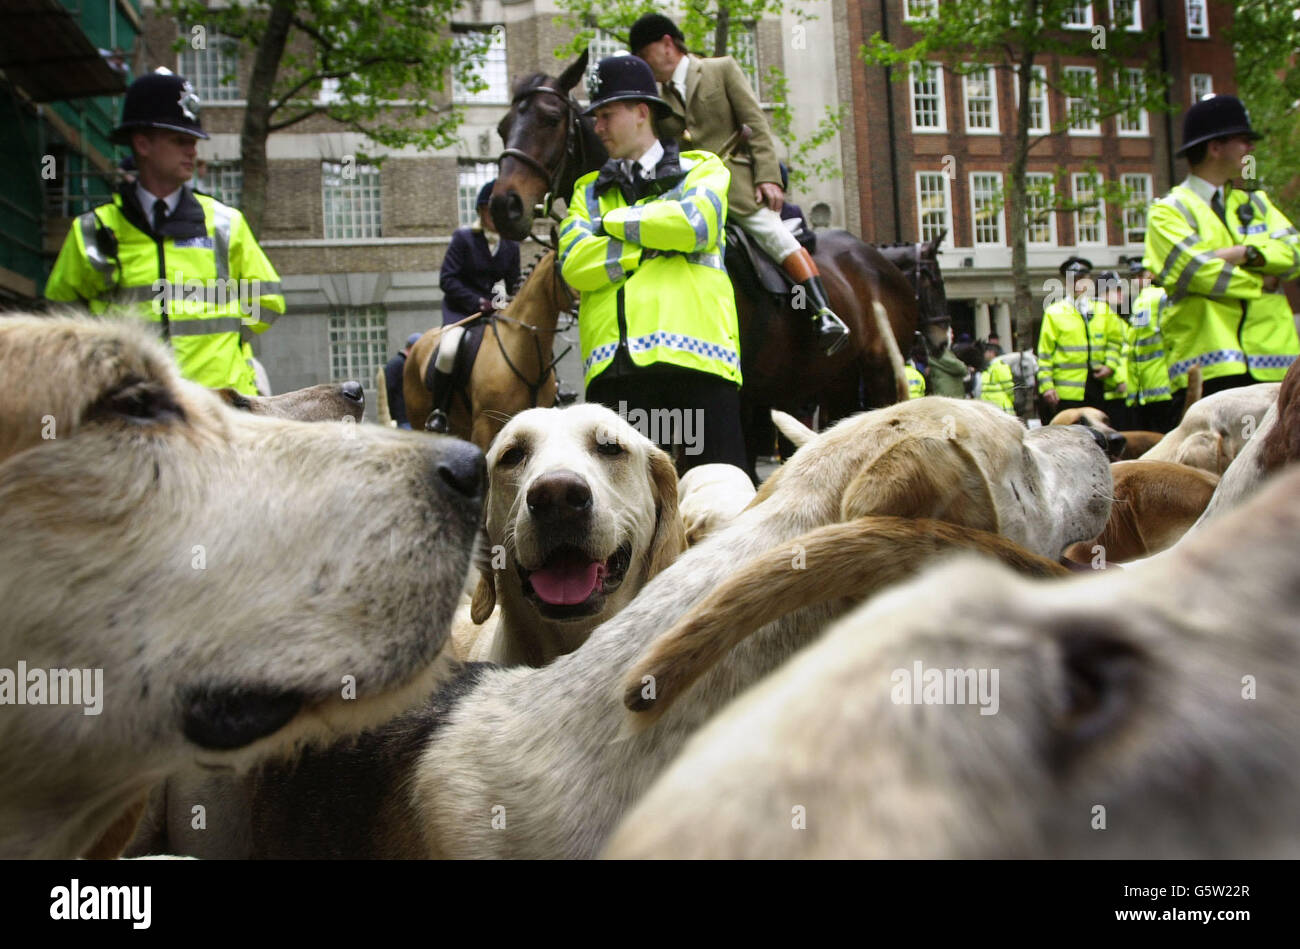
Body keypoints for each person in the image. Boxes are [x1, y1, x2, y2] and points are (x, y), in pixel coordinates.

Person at [557, 55, 748, 475]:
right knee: (628, 519)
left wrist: (609, 224)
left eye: (606, 115)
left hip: (699, 367)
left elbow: (697, 225)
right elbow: (573, 263)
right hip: (616, 373)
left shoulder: (702, 168)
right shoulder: (586, 190)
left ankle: (818, 310)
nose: (598, 127)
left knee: (720, 502)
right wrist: (652, 243)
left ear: (641, 112)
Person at [45, 70, 284, 395]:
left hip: (222, 409)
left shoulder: (226, 224)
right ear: (143, 143)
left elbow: (268, 301)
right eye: (180, 140)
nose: (193, 151)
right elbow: (62, 319)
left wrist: (221, 343)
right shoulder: (91, 230)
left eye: (194, 142)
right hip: (130, 408)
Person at [630, 13, 849, 354]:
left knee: (775, 236)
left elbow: (755, 123)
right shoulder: (660, 101)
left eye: (645, 56)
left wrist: (768, 178)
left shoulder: (721, 70)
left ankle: (824, 314)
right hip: (692, 195)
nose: (645, 66)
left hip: (737, 186)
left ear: (667, 44)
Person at [1143, 94, 1300, 416]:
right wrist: (1263, 282)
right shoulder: (1167, 212)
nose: (1250, 149)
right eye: (1243, 140)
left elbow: (1296, 253)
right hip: (1209, 371)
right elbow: (1198, 272)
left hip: (1275, 368)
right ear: (1215, 147)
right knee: (1213, 466)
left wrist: (1246, 252)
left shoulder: (1256, 203)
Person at [426, 179, 522, 433]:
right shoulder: (464, 238)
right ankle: (440, 412)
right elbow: (448, 279)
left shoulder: (511, 245)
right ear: (481, 211)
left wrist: (507, 301)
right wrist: (478, 301)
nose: (495, 217)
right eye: (491, 211)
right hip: (463, 313)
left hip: (496, 315)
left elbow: (512, 284)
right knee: (448, 350)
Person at [1036, 256, 1115, 423]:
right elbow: (1045, 354)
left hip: (1098, 386)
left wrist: (1110, 365)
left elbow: (1115, 342)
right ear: (1066, 283)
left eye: (1082, 279)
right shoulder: (1054, 312)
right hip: (1066, 393)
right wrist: (1047, 387)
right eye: (1073, 280)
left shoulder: (1103, 309)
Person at [1123, 262, 1175, 433]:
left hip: (1160, 384)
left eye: (1140, 275)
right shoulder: (1140, 301)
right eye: (1134, 277)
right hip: (1148, 389)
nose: (1137, 280)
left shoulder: (1156, 297)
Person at [1093, 269, 1131, 430]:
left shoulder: (1118, 320)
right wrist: (1119, 380)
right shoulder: (1097, 317)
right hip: (1110, 394)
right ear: (1104, 292)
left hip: (1124, 394)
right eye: (1117, 290)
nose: (1122, 294)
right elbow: (1099, 354)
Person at [920, 315, 968, 398]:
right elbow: (961, 368)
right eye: (950, 333)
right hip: (950, 398)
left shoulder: (941, 352)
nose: (952, 336)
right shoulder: (940, 354)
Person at [385, 332, 423, 429]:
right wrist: (392, 415)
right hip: (403, 419)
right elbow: (388, 390)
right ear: (413, 348)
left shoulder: (408, 363)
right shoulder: (397, 364)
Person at [978, 340, 1016, 415]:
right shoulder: (990, 368)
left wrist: (1011, 400)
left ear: (992, 353)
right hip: (993, 410)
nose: (984, 354)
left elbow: (1008, 387)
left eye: (986, 352)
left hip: (1002, 410)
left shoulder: (999, 366)